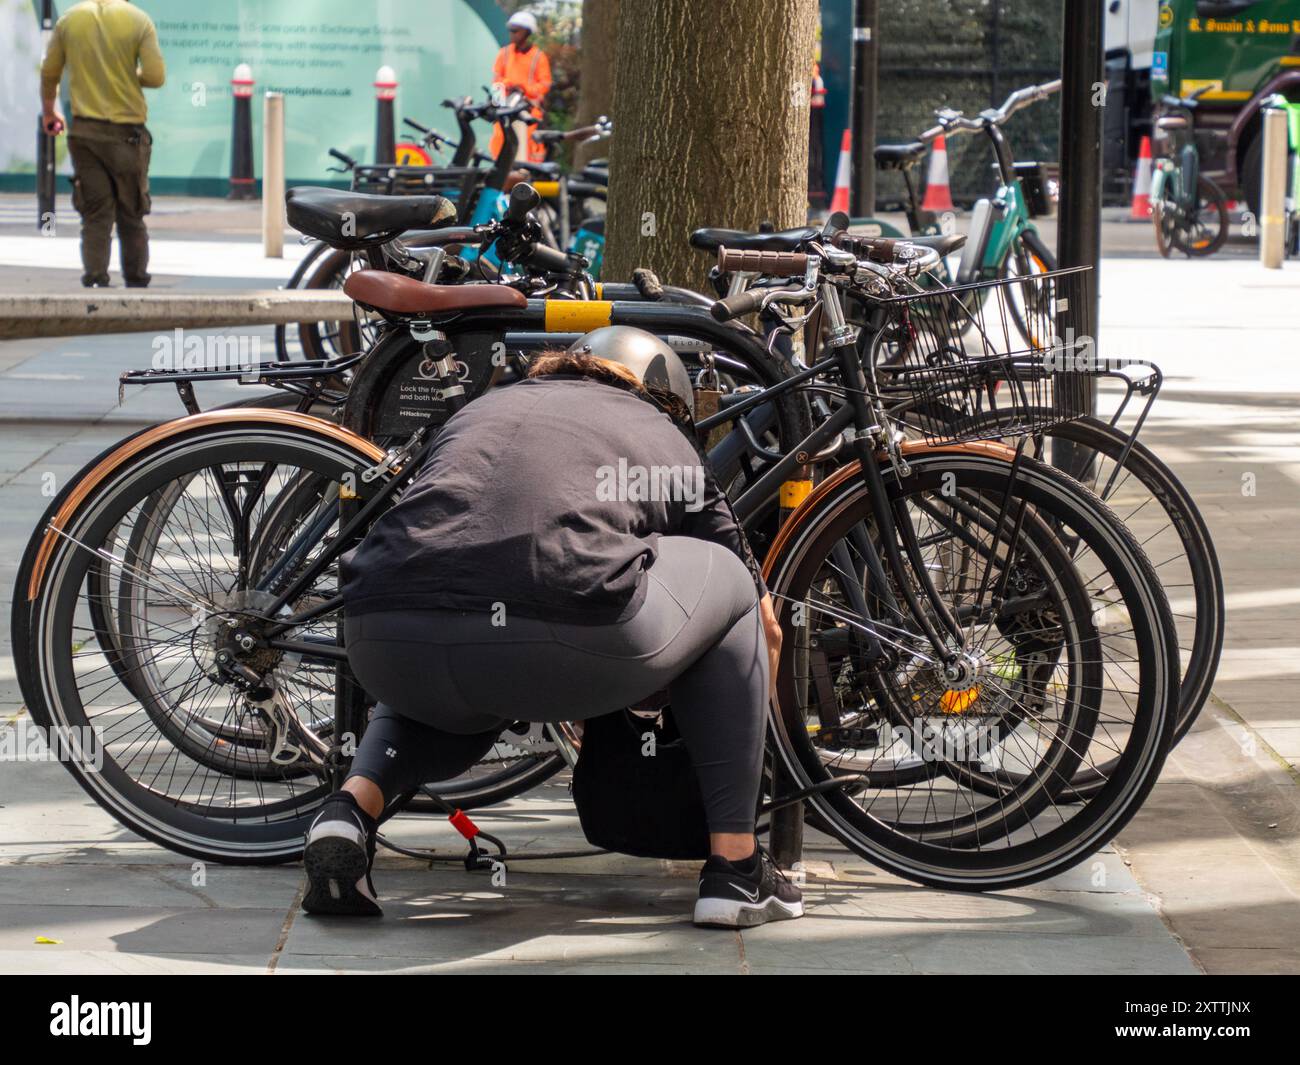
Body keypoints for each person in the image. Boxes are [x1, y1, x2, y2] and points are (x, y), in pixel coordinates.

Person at [303, 327, 803, 930]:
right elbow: (761, 624)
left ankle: (349, 810)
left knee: (449, 640)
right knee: (736, 586)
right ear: (660, 395)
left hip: (383, 636)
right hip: (562, 634)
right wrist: (741, 731)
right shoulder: (662, 433)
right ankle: (736, 870)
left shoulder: (482, 409)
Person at [39, 0, 164, 289]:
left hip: (85, 135)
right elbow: (156, 77)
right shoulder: (138, 20)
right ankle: (136, 279)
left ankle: (95, 277)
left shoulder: (70, 20)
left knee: (96, 211)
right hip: (127, 136)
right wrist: (128, 75)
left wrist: (49, 112)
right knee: (131, 211)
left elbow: (49, 72)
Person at [488, 10, 553, 164]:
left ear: (526, 32)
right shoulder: (503, 54)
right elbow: (496, 82)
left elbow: (544, 85)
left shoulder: (538, 57)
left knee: (527, 151)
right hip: (506, 110)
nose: (511, 34)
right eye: (510, 30)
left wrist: (524, 88)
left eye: (515, 31)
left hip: (528, 112)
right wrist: (497, 105)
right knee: (500, 145)